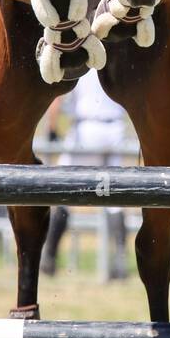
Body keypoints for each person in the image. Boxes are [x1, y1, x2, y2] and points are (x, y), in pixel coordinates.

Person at [41, 70, 130, 279]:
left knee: (64, 192)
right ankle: (120, 260)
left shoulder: (80, 61)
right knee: (116, 199)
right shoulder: (116, 55)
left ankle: (49, 257)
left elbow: (57, 98)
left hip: (86, 128)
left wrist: (52, 129)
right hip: (115, 129)